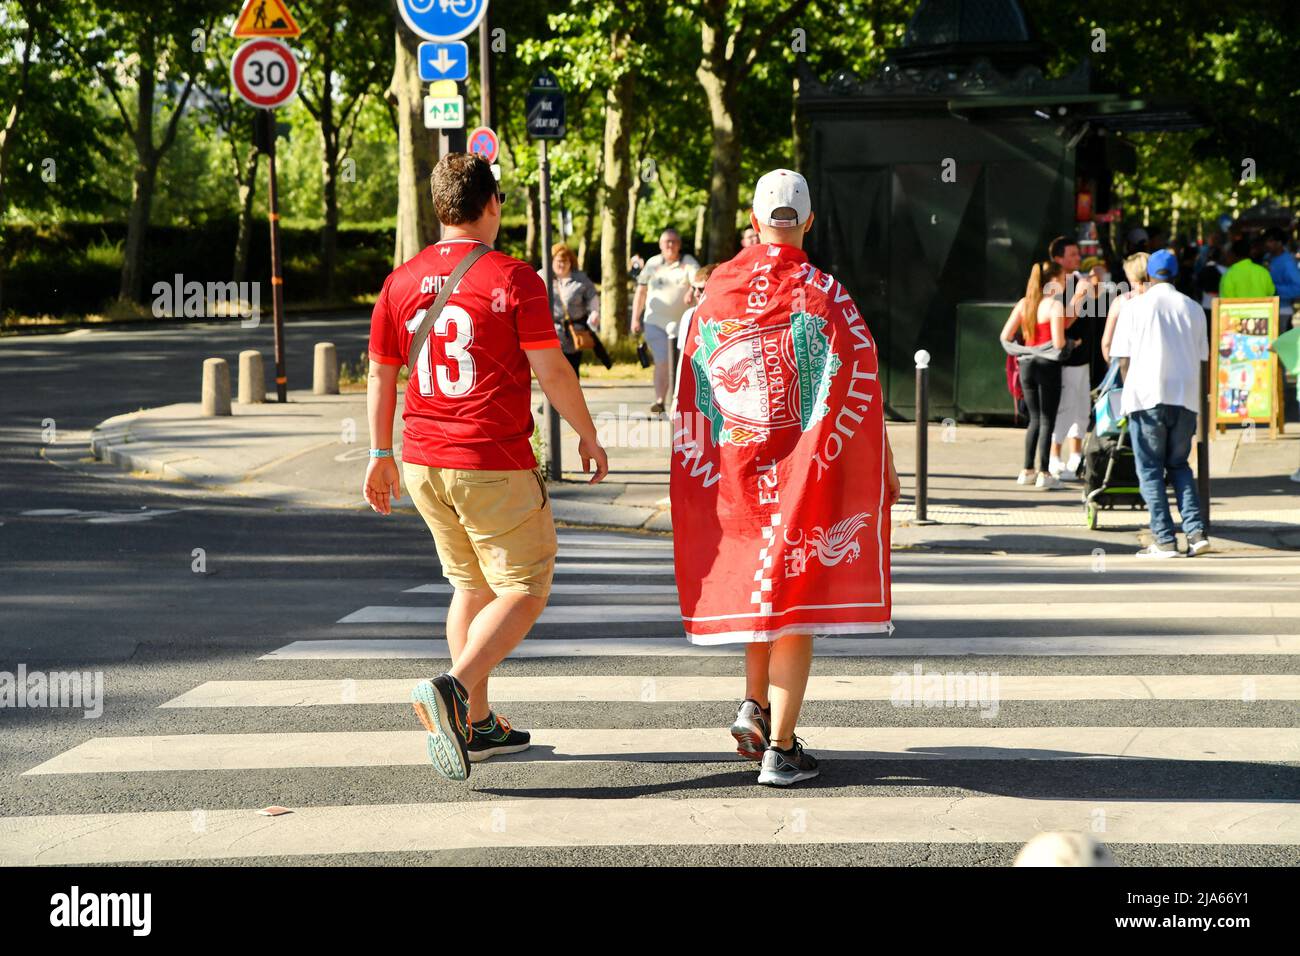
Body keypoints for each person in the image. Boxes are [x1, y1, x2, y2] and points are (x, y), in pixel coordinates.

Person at [364, 153, 609, 782]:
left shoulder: (399, 281)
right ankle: (452, 688)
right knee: (525, 587)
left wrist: (379, 454)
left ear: (440, 208)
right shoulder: (514, 277)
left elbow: (381, 373)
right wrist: (587, 434)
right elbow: (551, 368)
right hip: (490, 458)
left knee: (470, 586)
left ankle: (476, 724)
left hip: (421, 461)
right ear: (492, 204)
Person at [671, 168, 900, 787]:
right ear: (808, 222)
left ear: (752, 219)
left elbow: (691, 387)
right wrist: (884, 465)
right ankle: (781, 747)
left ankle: (754, 703)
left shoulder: (715, 289)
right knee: (793, 603)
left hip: (737, 475)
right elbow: (862, 384)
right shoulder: (828, 295)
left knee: (756, 590)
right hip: (803, 474)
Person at [1108, 248, 1209, 558]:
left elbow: (1122, 357)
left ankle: (1165, 540)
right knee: (1179, 465)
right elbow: (1203, 358)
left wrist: (1128, 391)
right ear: (1175, 273)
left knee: (1150, 470)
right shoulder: (1193, 308)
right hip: (1185, 397)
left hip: (1146, 396)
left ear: (1148, 274)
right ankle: (1196, 533)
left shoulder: (1134, 307)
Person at [1000, 260, 1068, 489]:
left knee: (1034, 419)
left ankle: (1026, 469)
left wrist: (1025, 351)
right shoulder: (1055, 306)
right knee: (1048, 419)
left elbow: (1005, 337)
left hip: (1027, 365)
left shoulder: (1024, 304)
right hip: (1048, 365)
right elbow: (1058, 343)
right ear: (1054, 281)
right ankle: (1044, 472)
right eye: (1063, 278)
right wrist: (1070, 345)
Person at [631, 228, 699, 414]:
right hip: (655, 322)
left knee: (681, 364)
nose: (670, 245)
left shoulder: (688, 263)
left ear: (679, 245)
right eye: (666, 242)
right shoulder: (652, 264)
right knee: (663, 361)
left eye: (673, 242)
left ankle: (678, 401)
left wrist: (691, 291)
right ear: (660, 245)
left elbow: (698, 281)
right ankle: (660, 400)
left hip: (682, 325)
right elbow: (641, 291)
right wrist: (635, 318)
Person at [1048, 235, 1095, 478]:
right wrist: (1080, 296)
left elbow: (1097, 306)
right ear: (1058, 259)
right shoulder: (1054, 287)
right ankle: (1054, 456)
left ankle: (1076, 455)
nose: (1078, 258)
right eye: (1072, 255)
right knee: (1064, 406)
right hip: (1064, 359)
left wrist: (1093, 291)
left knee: (1081, 407)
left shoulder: (1079, 281)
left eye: (1078, 253)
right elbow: (1062, 322)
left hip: (1083, 356)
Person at [539, 242, 600, 377]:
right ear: (551, 261)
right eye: (559, 261)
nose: (562, 265)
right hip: (551, 331)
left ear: (571, 262)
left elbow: (592, 297)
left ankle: (571, 397)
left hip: (574, 333)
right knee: (552, 373)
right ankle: (554, 398)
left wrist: (595, 312)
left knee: (572, 372)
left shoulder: (580, 279)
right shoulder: (542, 276)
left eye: (565, 261)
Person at [1100, 252, 1149, 363]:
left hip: (1126, 365)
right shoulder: (1161, 300)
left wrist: (1112, 366)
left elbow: (1106, 342)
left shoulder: (1120, 302)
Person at [1264, 227, 1300, 324]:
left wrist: (1274, 290)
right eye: (1266, 241)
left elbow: (1298, 288)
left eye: (1270, 241)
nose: (1267, 244)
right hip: (1267, 309)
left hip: (1282, 311)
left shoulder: (1287, 262)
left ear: (1279, 243)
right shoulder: (1267, 258)